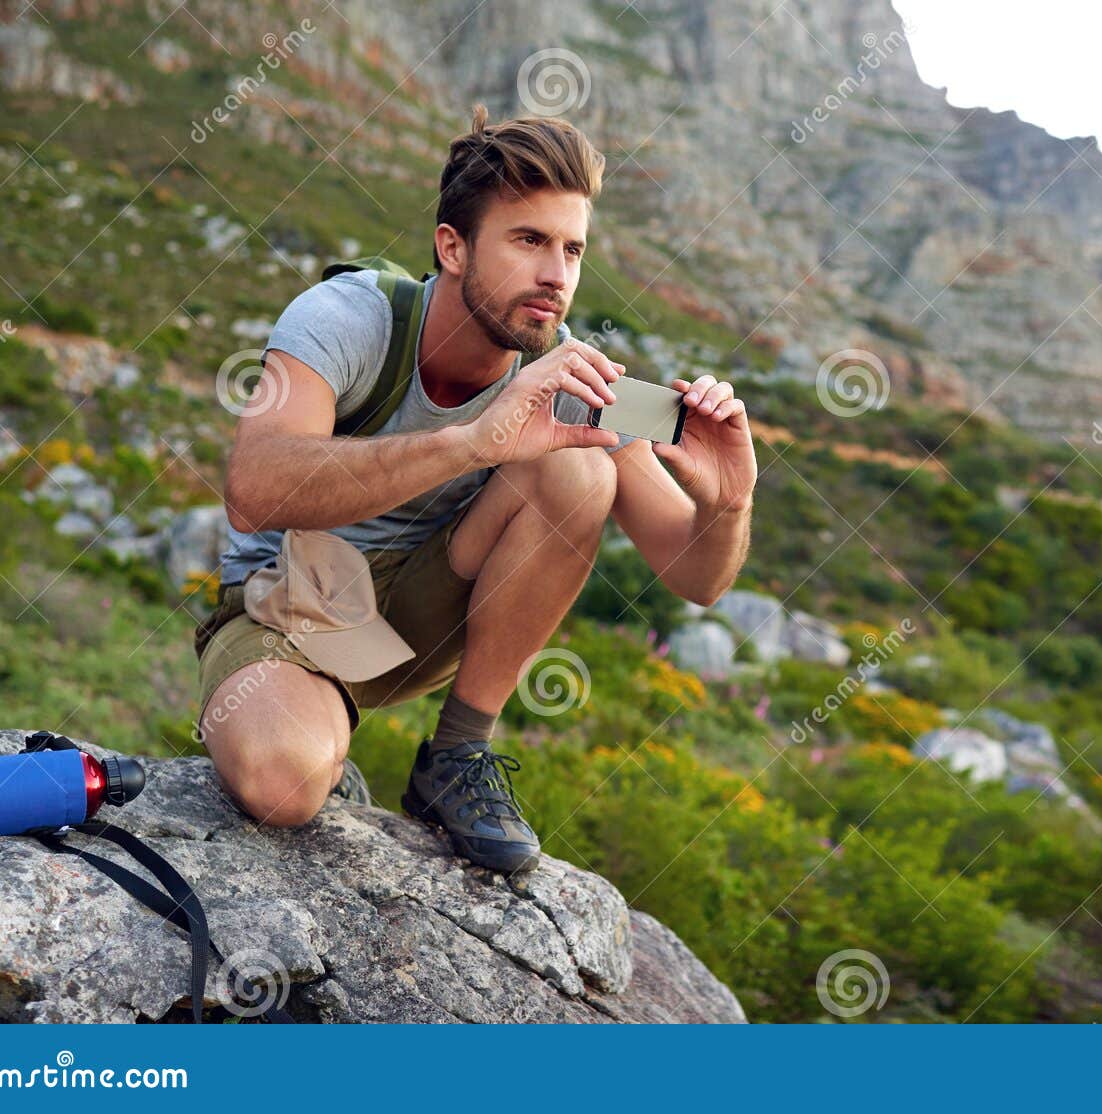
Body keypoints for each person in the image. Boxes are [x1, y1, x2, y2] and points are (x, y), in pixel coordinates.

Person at [192, 105, 756, 873]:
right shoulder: (349, 319)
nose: (557, 275)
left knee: (578, 467)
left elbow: (697, 578)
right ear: (452, 247)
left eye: (572, 249)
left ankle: (457, 756)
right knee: (283, 785)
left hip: (422, 612)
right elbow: (253, 491)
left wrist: (728, 501)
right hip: (290, 604)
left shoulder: (571, 374)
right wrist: (471, 443)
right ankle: (319, 736)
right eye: (529, 241)